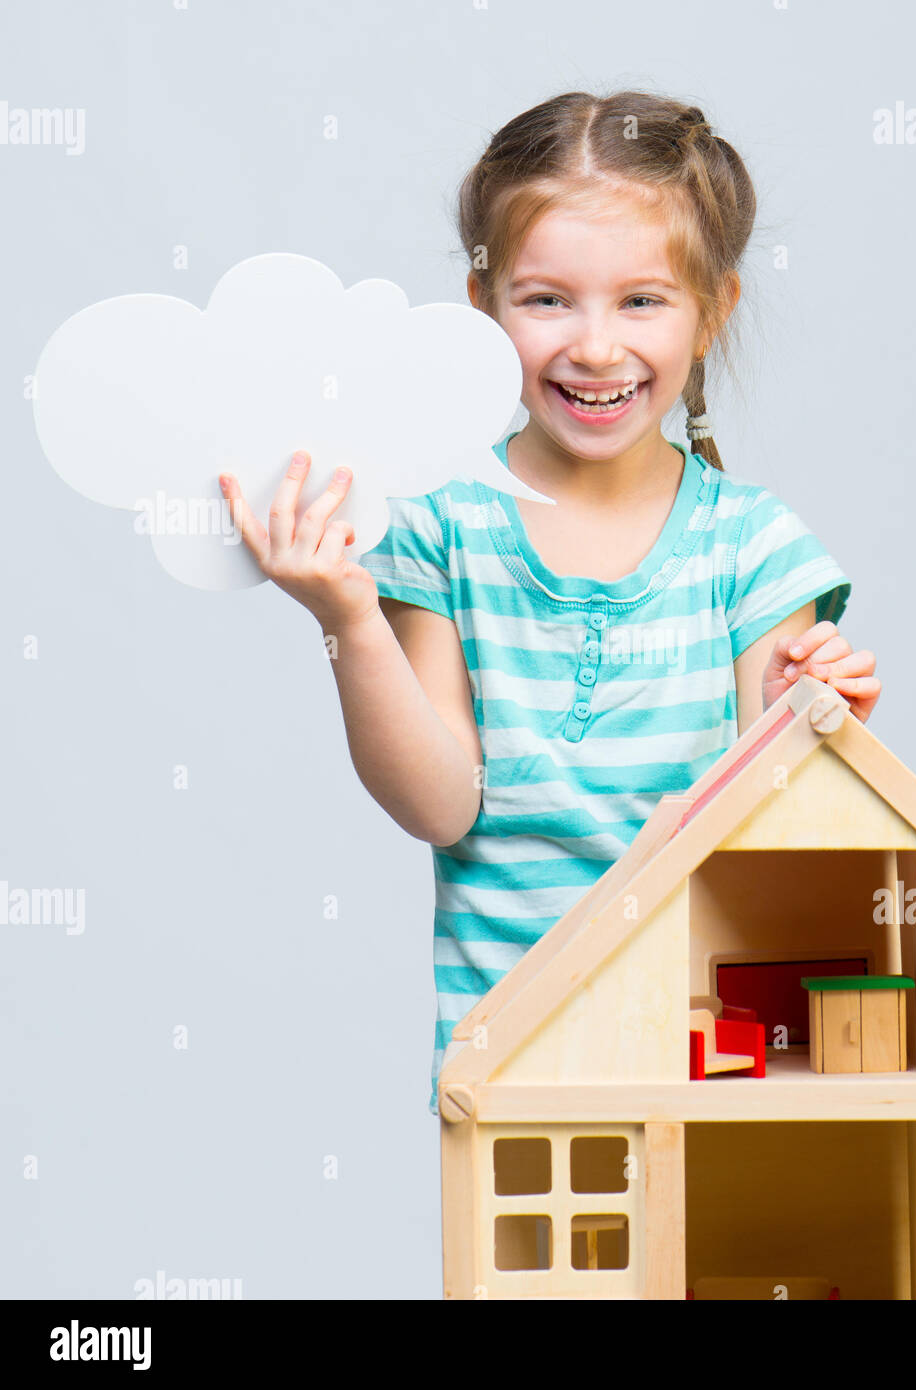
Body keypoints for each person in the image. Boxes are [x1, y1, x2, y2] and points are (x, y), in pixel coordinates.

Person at [218, 90, 880, 1116]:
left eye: (642, 301)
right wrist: (348, 618)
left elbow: (775, 845)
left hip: (725, 1072)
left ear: (713, 310)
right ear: (481, 309)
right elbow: (441, 804)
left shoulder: (750, 548)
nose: (596, 346)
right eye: (547, 300)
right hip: (519, 1079)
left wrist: (803, 725)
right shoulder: (440, 525)